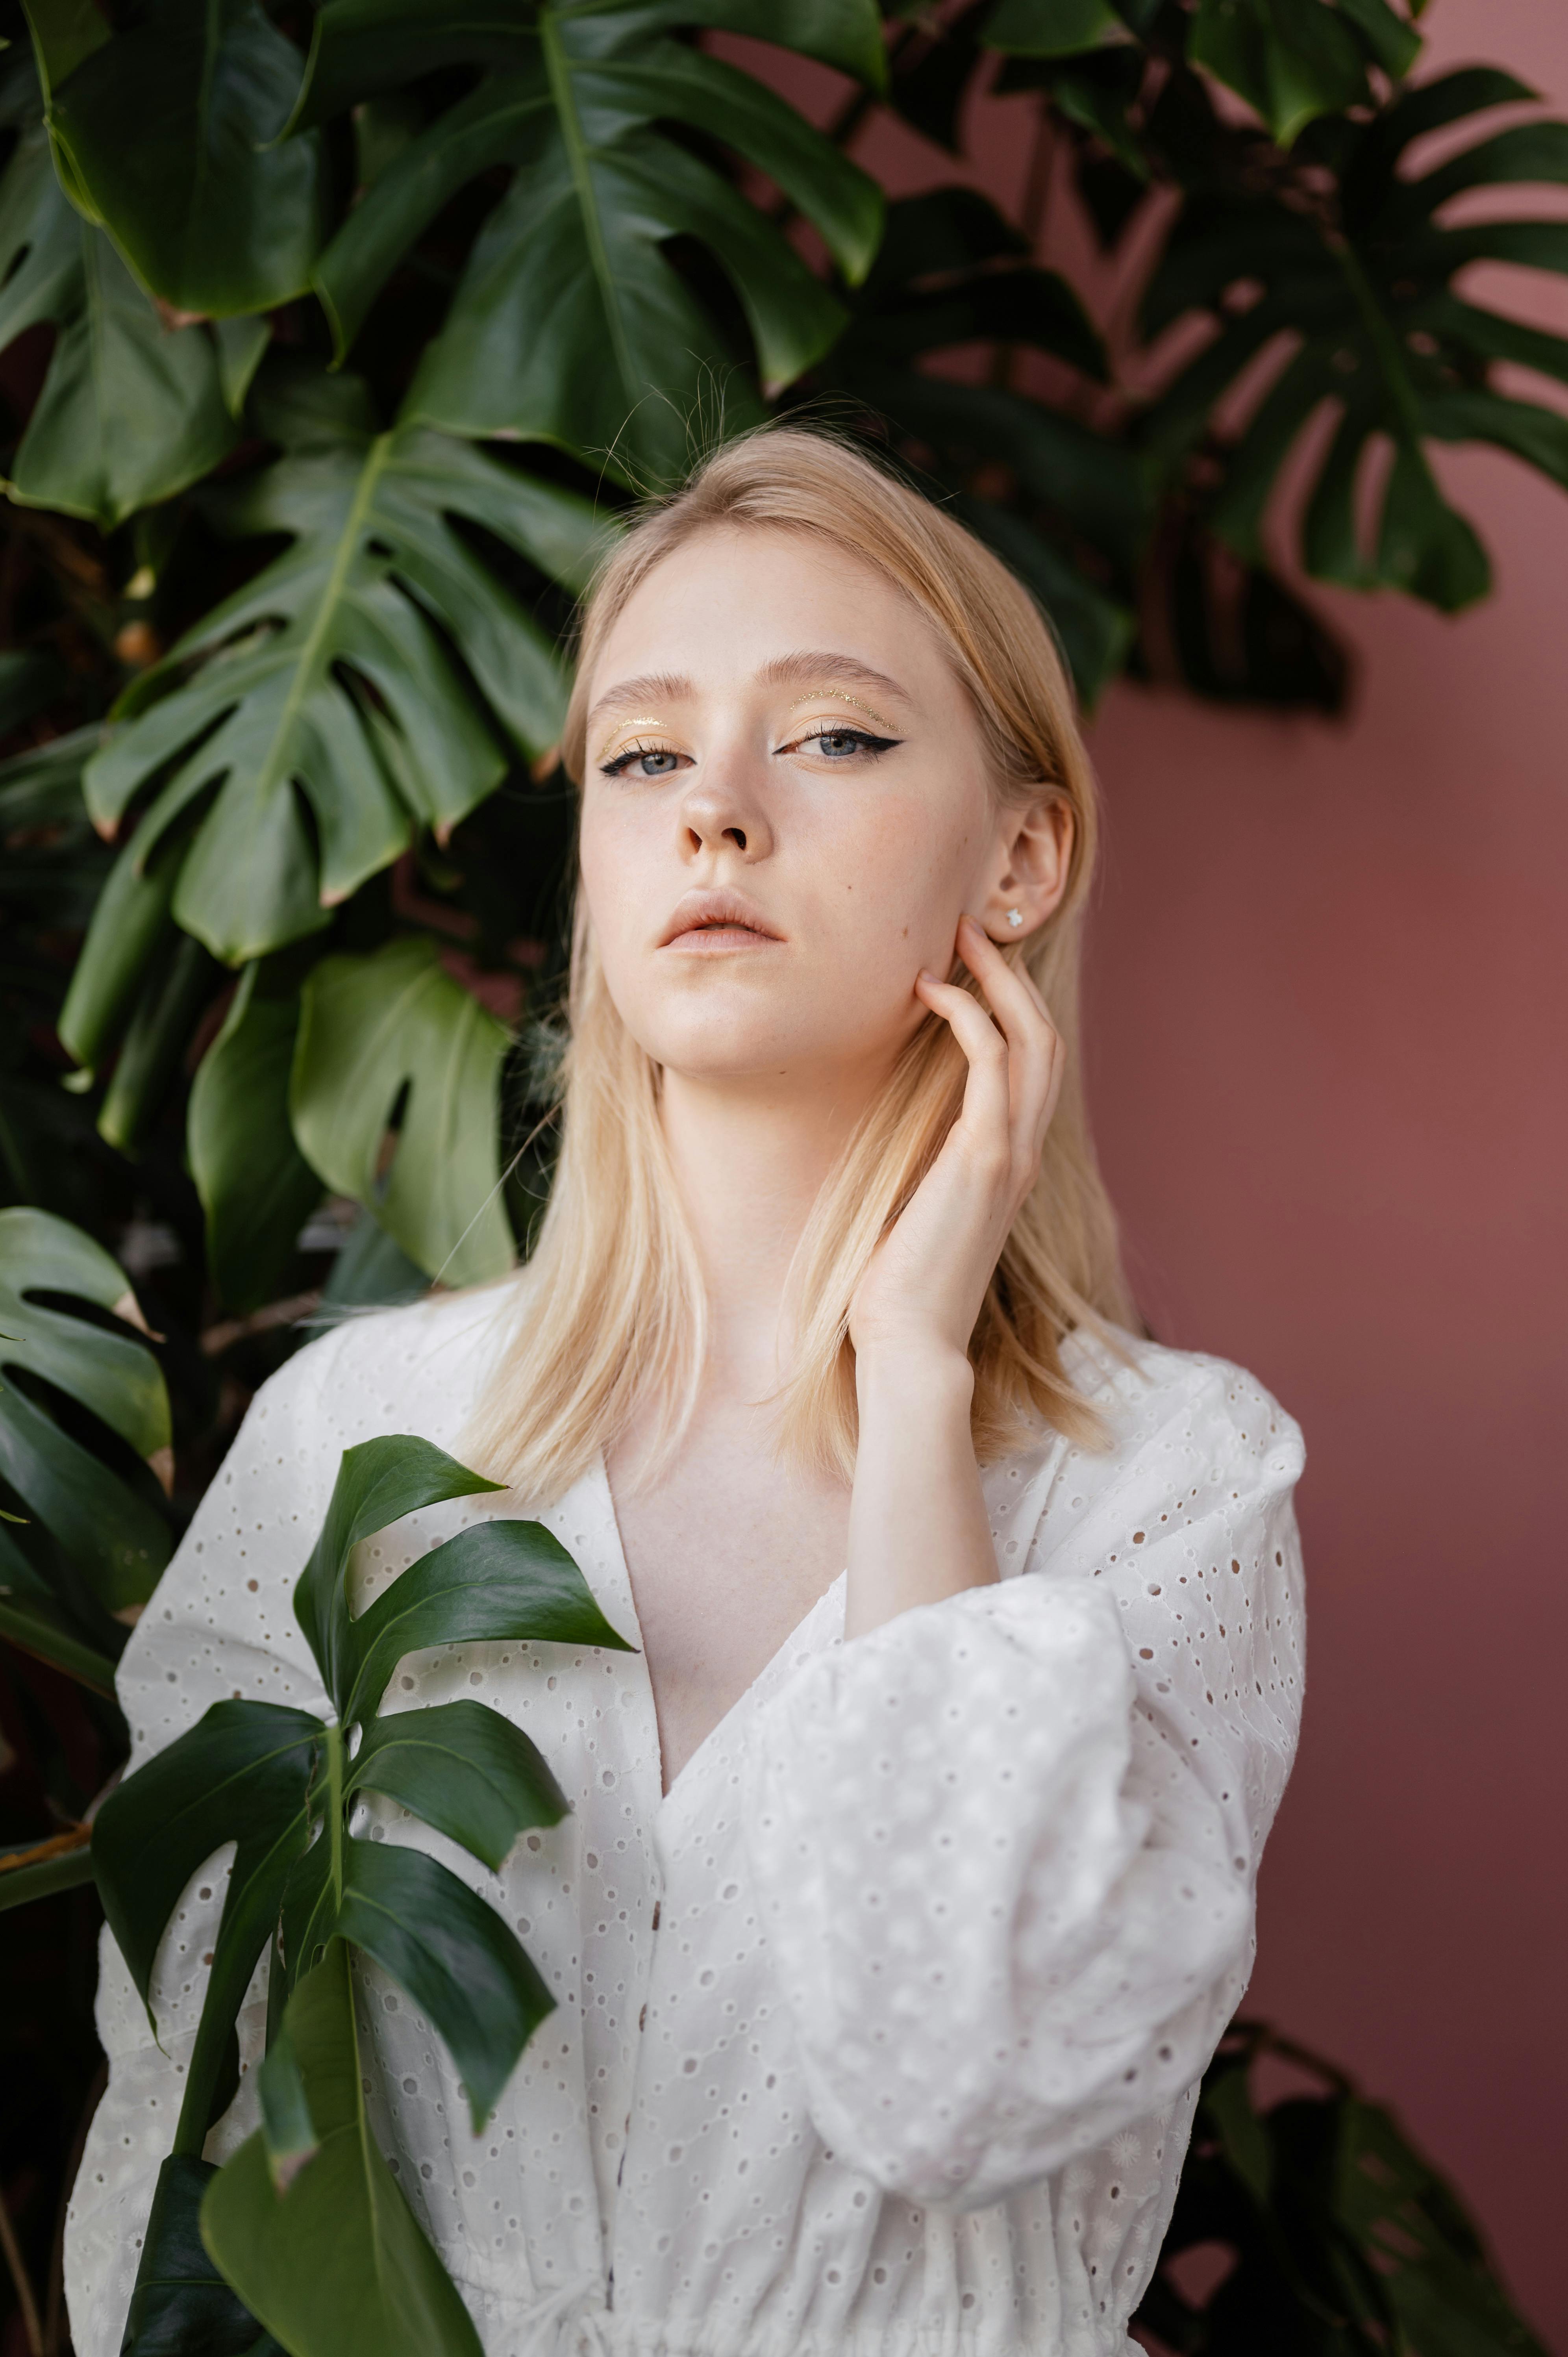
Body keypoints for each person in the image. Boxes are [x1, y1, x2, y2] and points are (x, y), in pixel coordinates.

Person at [65, 427, 1305, 2357]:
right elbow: (184, 2137)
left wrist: (910, 1368)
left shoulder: (1170, 1476)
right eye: (644, 754)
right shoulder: (356, 1436)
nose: (712, 811)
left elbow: (953, 2090)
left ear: (1023, 851)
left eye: (832, 737)